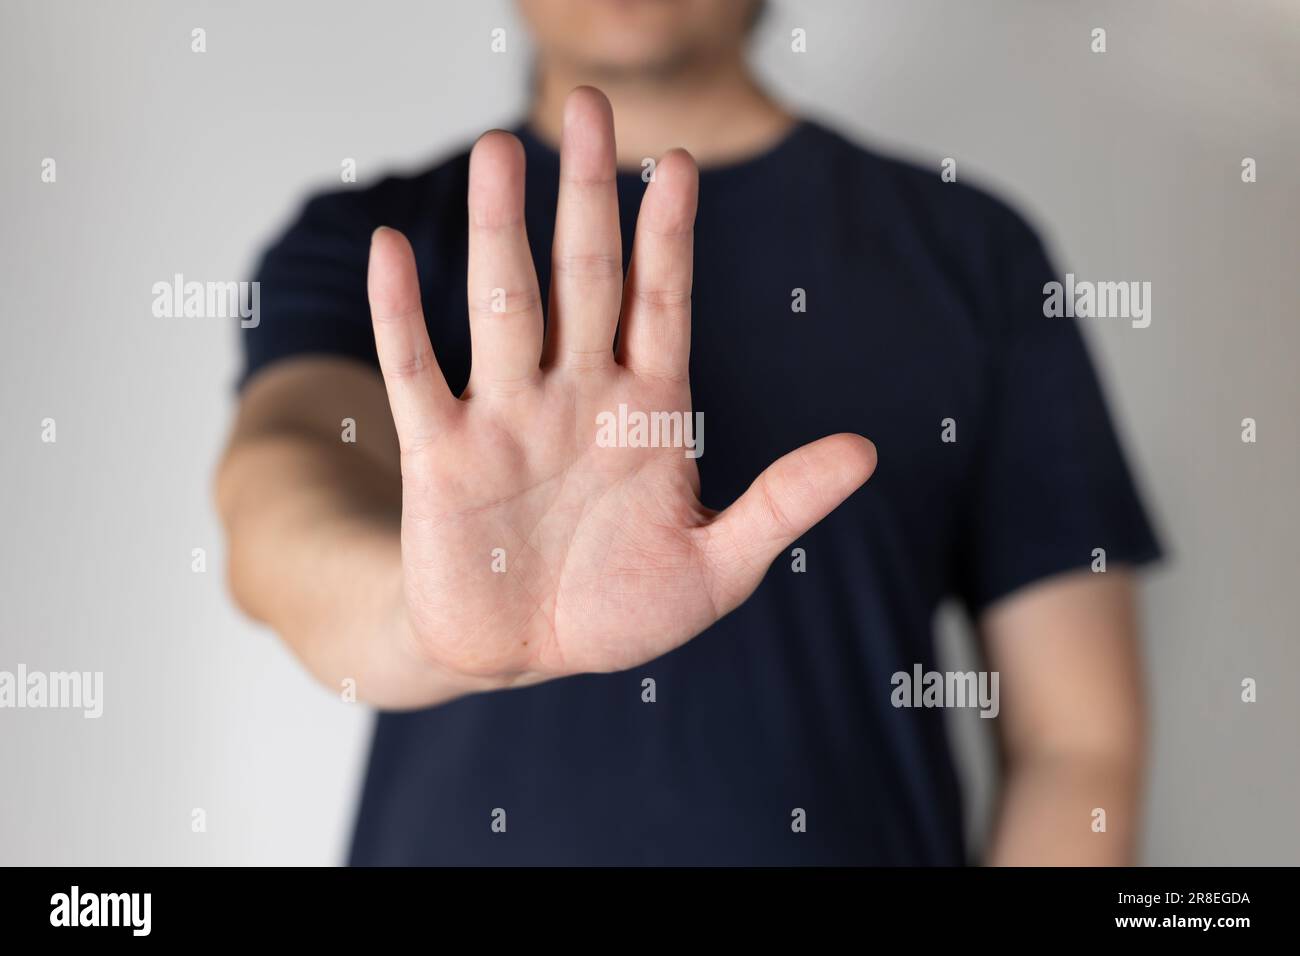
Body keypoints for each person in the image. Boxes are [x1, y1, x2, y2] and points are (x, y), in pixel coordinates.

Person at [216, 0, 1161, 865]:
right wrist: (422, 627)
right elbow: (278, 494)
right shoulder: (370, 243)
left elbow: (1075, 743)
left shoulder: (972, 251)